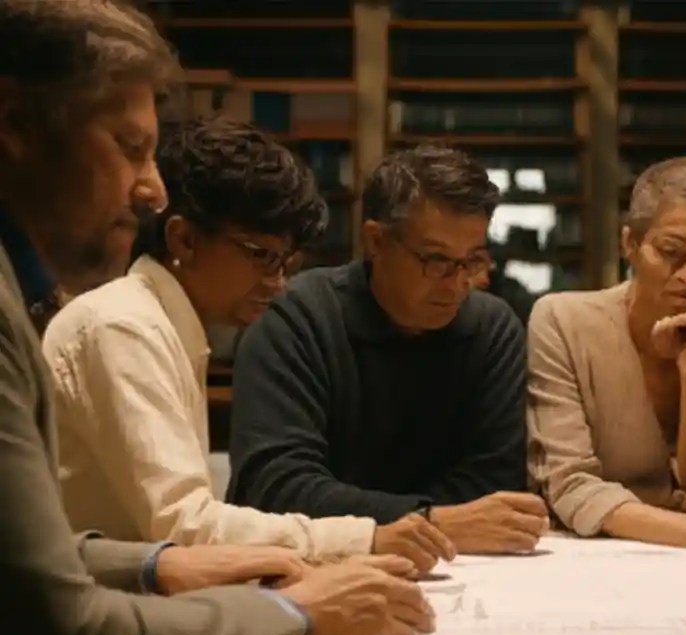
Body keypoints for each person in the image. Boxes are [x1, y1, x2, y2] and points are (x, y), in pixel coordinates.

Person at [0, 2, 431, 635]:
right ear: (13, 125)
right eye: (128, 146)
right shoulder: (116, 324)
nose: (151, 187)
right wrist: (301, 616)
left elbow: (28, 565)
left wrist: (153, 566)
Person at [43, 117, 454, 574]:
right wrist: (366, 537)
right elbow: (184, 527)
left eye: (285, 263)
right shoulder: (123, 325)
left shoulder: (161, 321)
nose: (276, 284)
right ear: (184, 239)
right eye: (261, 256)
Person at [228, 143, 548, 554]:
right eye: (435, 260)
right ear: (376, 241)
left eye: (471, 262)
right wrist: (430, 521)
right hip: (308, 563)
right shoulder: (297, 321)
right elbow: (274, 487)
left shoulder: (492, 328)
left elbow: (495, 485)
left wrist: (425, 525)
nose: (455, 285)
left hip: (460, 567)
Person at [528, 157, 686, 546]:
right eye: (671, 253)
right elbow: (571, 485)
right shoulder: (563, 323)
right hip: (598, 559)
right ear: (630, 244)